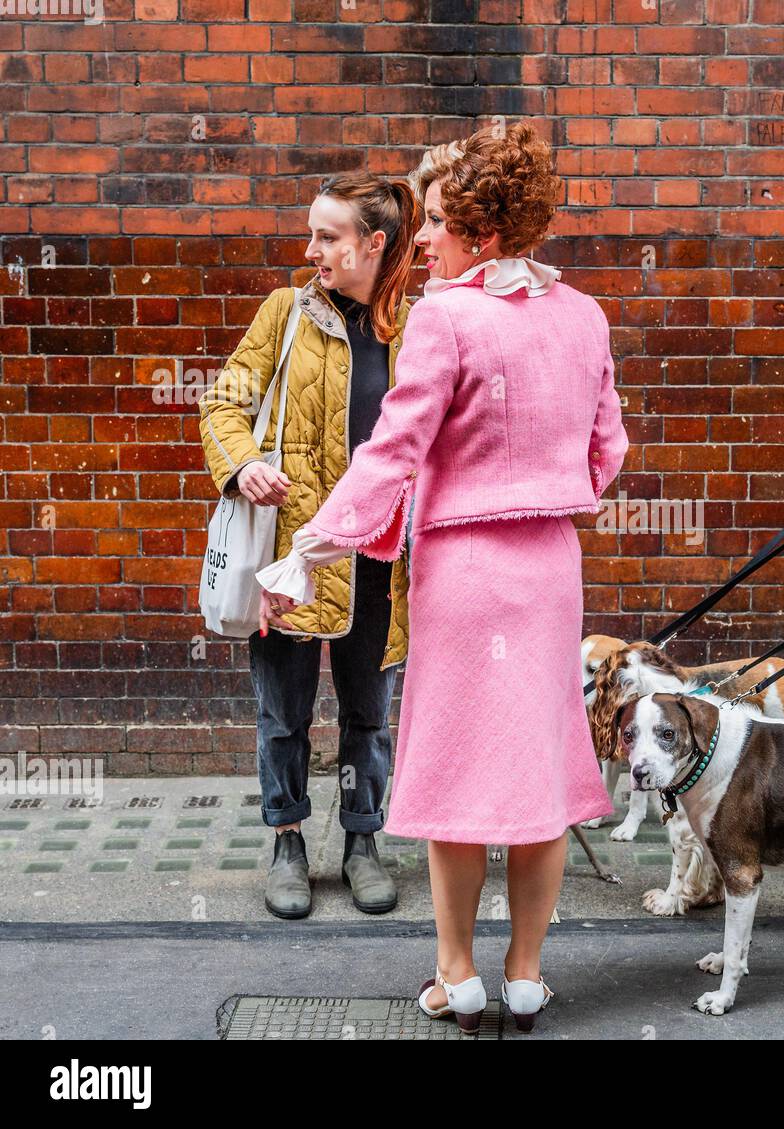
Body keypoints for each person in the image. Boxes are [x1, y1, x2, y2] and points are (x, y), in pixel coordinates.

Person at [254, 122, 629, 1033]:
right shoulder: (584, 314)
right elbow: (609, 450)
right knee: (537, 773)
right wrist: (547, 492)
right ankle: (529, 976)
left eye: (438, 225)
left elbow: (392, 453)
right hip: (549, 572)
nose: (420, 240)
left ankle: (456, 973)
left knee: (461, 772)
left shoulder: (445, 317)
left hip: (465, 573)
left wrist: (308, 551)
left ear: (484, 235)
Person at [199, 173, 419, 916]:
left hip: (379, 561)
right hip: (289, 558)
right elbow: (225, 400)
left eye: (328, 236)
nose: (312, 249)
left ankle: (362, 840)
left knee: (369, 713)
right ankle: (287, 839)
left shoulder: (418, 329)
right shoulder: (283, 314)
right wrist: (243, 464)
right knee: (283, 713)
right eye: (313, 234)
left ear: (373, 244)